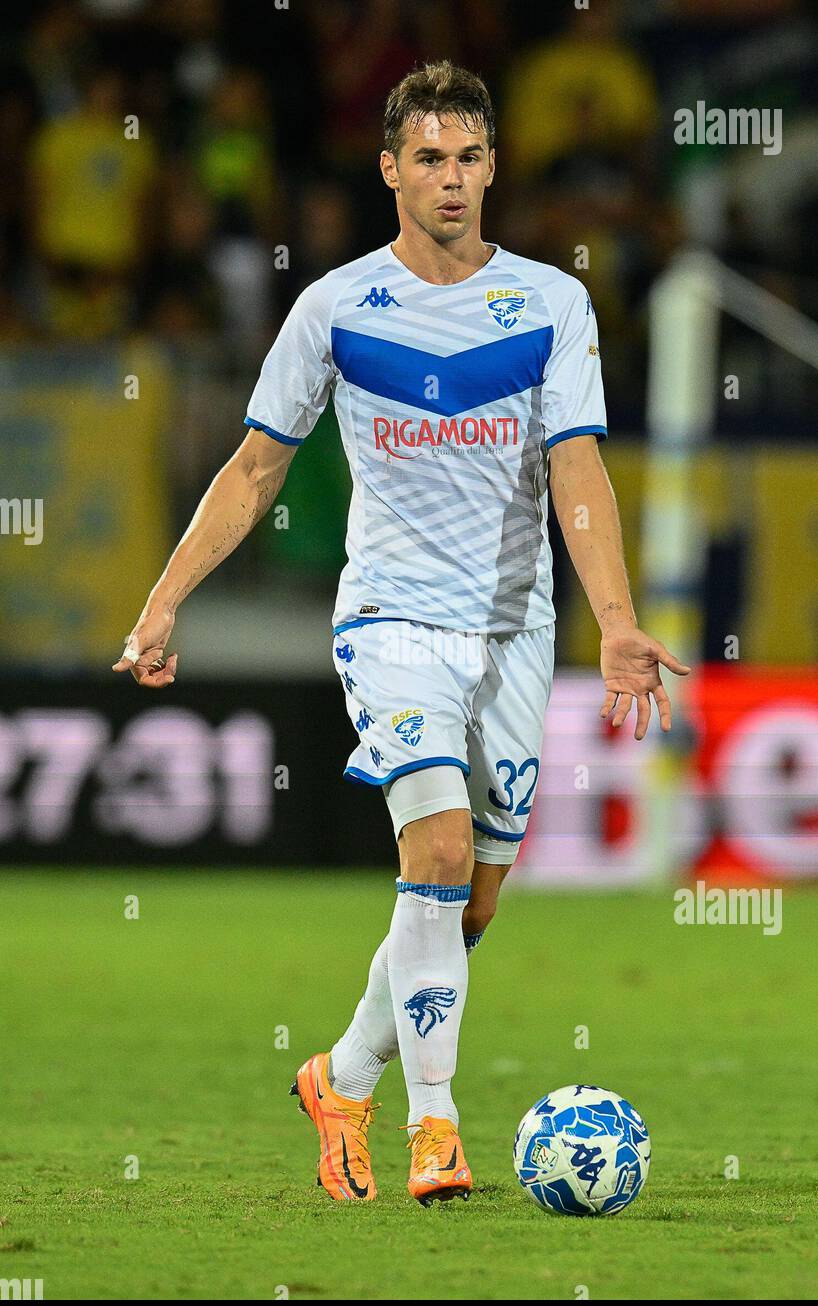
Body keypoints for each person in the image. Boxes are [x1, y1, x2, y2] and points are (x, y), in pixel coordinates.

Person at [113, 60, 689, 1206]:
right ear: (389, 170)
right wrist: (164, 597)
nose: (451, 179)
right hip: (390, 622)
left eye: (469, 157)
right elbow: (253, 467)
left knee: (466, 904)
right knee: (426, 855)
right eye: (427, 157)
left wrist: (615, 623)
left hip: (515, 630)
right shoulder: (330, 308)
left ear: (491, 169)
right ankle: (436, 1127)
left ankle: (343, 1072)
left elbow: (576, 467)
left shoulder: (547, 305)